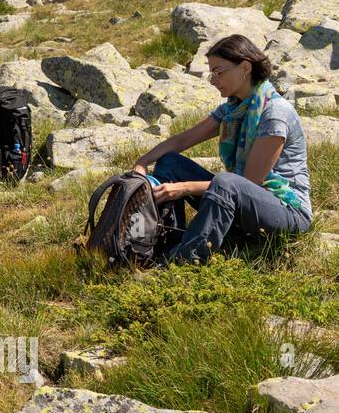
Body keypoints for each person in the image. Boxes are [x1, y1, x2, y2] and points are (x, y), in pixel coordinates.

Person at [132, 34, 311, 263]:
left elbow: (249, 182)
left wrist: (184, 188)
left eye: (219, 71)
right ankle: (167, 241)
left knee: (226, 182)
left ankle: (183, 261)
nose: (213, 80)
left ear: (245, 67)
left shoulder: (275, 112)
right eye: (211, 73)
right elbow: (182, 141)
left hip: (287, 211)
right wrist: (142, 162)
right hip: (244, 201)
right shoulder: (233, 109)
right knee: (169, 161)